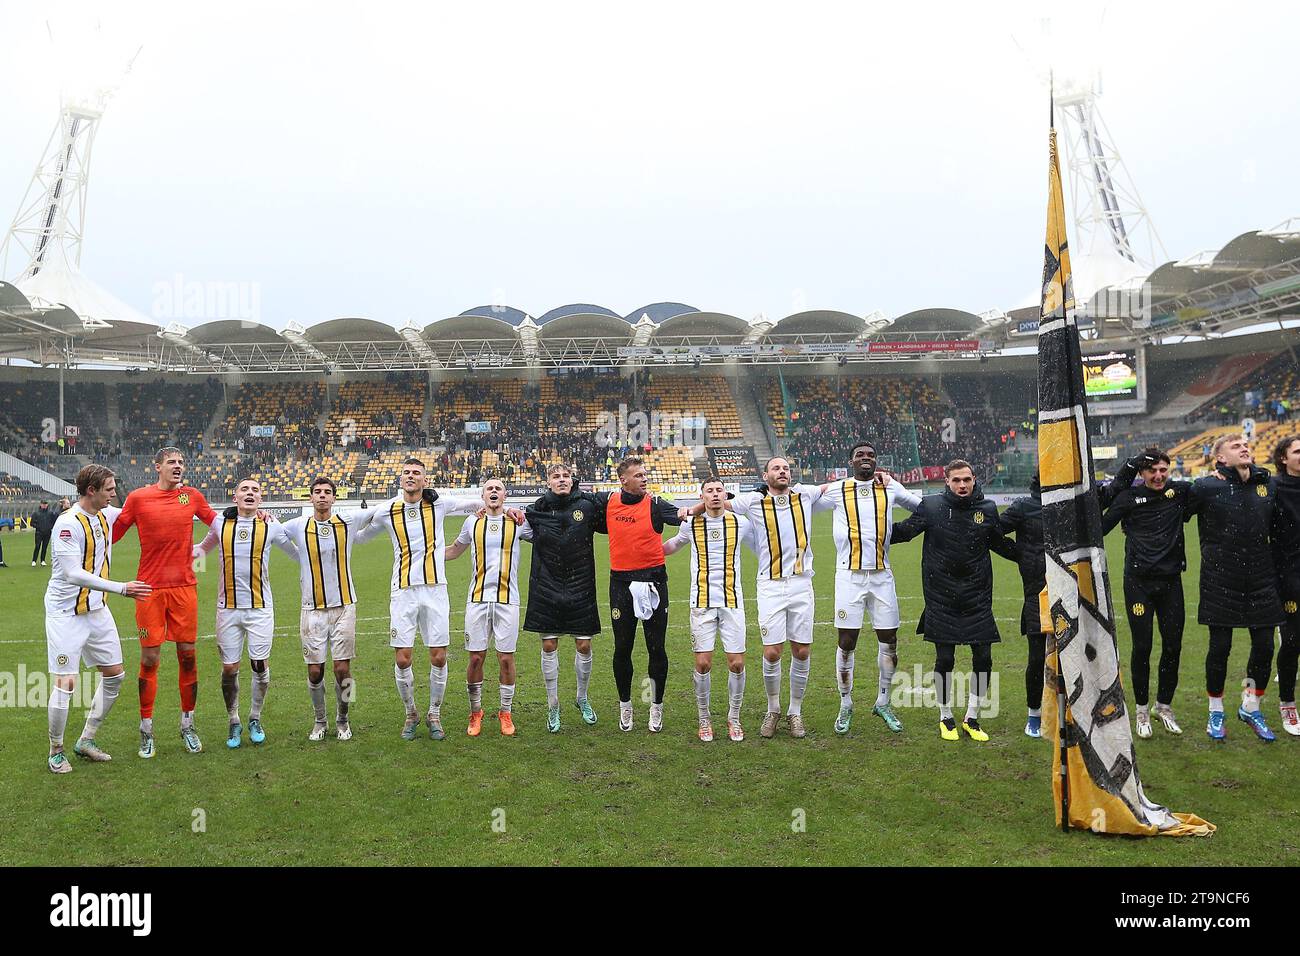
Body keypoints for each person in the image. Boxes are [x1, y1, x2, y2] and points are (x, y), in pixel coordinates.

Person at [358, 458, 510, 740]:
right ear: (400, 479)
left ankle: (434, 713)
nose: (411, 476)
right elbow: (359, 534)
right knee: (403, 659)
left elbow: (473, 503)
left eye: (417, 473)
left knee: (438, 657)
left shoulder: (439, 504)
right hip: (402, 591)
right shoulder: (389, 510)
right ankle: (411, 713)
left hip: (435, 590)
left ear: (425, 480)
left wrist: (508, 510)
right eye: (407, 472)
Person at [891, 459, 1019, 742]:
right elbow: (904, 531)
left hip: (977, 597)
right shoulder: (932, 506)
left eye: (967, 480)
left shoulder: (986, 510)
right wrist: (870, 529)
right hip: (941, 597)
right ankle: (945, 716)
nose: (962, 485)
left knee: (983, 658)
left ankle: (972, 717)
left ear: (974, 480)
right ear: (946, 482)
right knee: (945, 659)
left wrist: (1036, 555)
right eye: (957, 480)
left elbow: (1000, 544)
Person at [699, 456, 824, 739]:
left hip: (802, 583)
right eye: (776, 468)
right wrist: (692, 509)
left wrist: (881, 479)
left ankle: (795, 711)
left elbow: (832, 489)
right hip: (769, 585)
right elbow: (718, 504)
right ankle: (773, 709)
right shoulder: (753, 501)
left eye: (786, 468)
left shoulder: (805, 494)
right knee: (771, 652)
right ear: (765, 475)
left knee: (802, 651)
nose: (782, 472)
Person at [44, 465, 152, 773]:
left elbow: (141, 506)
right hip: (66, 614)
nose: (115, 493)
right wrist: (121, 587)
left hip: (96, 611)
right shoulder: (67, 523)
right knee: (65, 683)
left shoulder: (106, 515)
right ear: (91, 491)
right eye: (109, 489)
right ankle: (56, 750)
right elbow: (72, 573)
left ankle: (86, 740)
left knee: (115, 675)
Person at [112, 446, 219, 757]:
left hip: (184, 588)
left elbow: (220, 525)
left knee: (188, 656)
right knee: (150, 659)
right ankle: (146, 729)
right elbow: (113, 534)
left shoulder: (193, 497)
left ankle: (188, 724)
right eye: (171, 462)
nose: (178, 466)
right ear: (156, 466)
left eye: (181, 462)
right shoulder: (138, 498)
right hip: (149, 590)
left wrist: (253, 514)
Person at [815, 441, 920, 735]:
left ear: (877, 461)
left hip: (882, 575)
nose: (866, 458)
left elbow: (921, 507)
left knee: (889, 641)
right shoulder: (837, 489)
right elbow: (803, 501)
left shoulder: (891, 486)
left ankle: (883, 702)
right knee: (847, 641)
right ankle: (846, 704)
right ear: (851, 461)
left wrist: (902, 533)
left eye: (871, 455)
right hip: (848, 576)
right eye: (860, 454)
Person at [1186, 434, 1285, 741]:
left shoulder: (1266, 485)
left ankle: (1250, 705)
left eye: (1246, 445)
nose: (1244, 448)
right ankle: (1216, 710)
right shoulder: (1205, 487)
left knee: (1265, 647)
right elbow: (1173, 512)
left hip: (1261, 578)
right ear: (1220, 459)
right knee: (1220, 648)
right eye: (1235, 446)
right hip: (1220, 580)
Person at [193, 478, 298, 748]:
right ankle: (233, 720)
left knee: (259, 665)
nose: (250, 493)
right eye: (244, 490)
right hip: (227, 609)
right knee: (229, 668)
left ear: (261, 499)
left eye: (255, 490)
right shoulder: (220, 523)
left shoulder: (270, 525)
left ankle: (254, 717)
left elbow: (296, 553)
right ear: (235, 496)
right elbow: (201, 550)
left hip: (260, 608)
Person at [1100, 449, 1194, 738]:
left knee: (1173, 646)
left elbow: (1212, 493)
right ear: (1142, 474)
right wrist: (1130, 466)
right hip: (1138, 583)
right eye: (1152, 471)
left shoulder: (1179, 493)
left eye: (1163, 470)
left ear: (1169, 470)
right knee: (1142, 647)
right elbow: (1101, 527)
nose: (1158, 476)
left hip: (1171, 584)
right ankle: (1141, 711)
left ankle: (1163, 706)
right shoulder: (1128, 498)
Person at [279, 477, 376, 741]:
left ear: (335, 498)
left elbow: (382, 510)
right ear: (310, 497)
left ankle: (343, 719)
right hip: (312, 609)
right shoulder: (299, 525)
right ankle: (319, 720)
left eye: (327, 492)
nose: (322, 496)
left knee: (343, 670)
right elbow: (271, 532)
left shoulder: (347, 521)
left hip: (345, 606)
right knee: (314, 671)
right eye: (317, 492)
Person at [599, 457, 687, 732]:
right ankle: (626, 706)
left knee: (655, 648)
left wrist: (689, 511)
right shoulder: (608, 502)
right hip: (621, 585)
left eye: (645, 474)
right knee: (622, 648)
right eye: (638, 475)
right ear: (623, 479)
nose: (644, 478)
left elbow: (684, 516)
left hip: (654, 583)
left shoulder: (656, 505)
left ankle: (654, 705)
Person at [663, 476, 751, 742]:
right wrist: (648, 551)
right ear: (701, 497)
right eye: (709, 491)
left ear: (726, 495)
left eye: (719, 490)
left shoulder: (741, 523)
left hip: (732, 601)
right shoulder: (691, 523)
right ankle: (704, 718)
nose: (714, 495)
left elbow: (764, 545)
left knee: (736, 663)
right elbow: (674, 545)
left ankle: (733, 718)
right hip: (701, 602)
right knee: (703, 664)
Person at [444, 478, 533, 737]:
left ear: (505, 496)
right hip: (477, 599)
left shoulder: (517, 523)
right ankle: (476, 712)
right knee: (475, 657)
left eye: (498, 489)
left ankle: (505, 712)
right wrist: (423, 555)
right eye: (489, 489)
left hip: (508, 600)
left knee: (506, 658)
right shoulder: (472, 522)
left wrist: (519, 513)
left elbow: (543, 537)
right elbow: (454, 551)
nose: (494, 492)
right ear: (482, 495)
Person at [523, 463, 606, 733]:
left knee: (583, 645)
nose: (561, 480)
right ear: (548, 482)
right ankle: (553, 704)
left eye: (566, 476)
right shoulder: (536, 510)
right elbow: (512, 523)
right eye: (556, 476)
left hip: (580, 583)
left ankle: (582, 698)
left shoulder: (589, 506)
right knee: (549, 646)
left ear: (573, 480)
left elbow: (615, 518)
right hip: (546, 584)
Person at [998, 473, 1052, 738]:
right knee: (1037, 658)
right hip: (1036, 593)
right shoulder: (1024, 506)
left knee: (1071, 657)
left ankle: (1067, 711)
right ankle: (1034, 715)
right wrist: (1018, 554)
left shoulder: (1069, 506)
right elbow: (994, 531)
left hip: (1070, 589)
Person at [1270, 435, 1300, 735]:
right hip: (1289, 576)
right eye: (1298, 451)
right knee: (1292, 643)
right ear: (1283, 458)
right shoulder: (1274, 488)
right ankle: (1288, 706)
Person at [31, 500, 57, 566]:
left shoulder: (50, 513)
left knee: (44, 547)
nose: (44, 505)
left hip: (47, 532)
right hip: (39, 532)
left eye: (45, 504)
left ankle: (42, 560)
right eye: (43, 504)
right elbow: (32, 523)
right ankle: (34, 560)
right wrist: (38, 527)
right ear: (40, 504)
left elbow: (54, 521)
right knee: (37, 546)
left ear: (47, 505)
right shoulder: (36, 513)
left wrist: (50, 527)